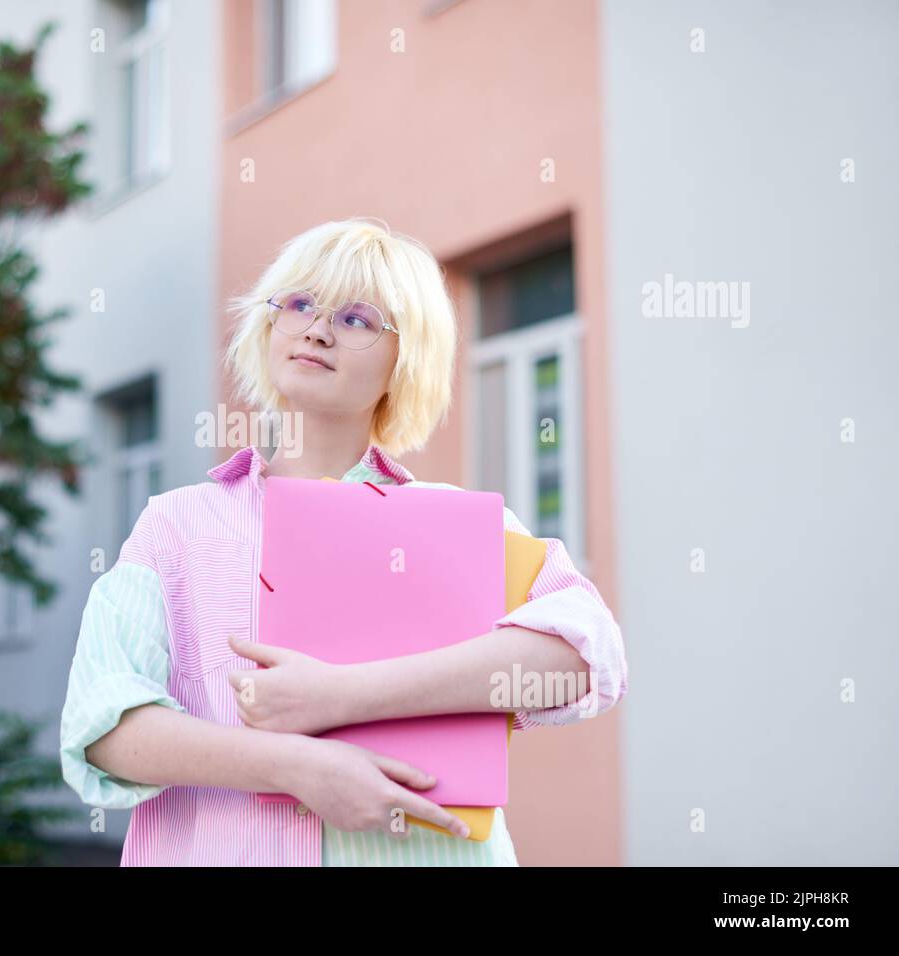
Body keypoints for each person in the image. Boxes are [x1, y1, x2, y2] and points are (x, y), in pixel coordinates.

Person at [60, 217, 628, 865]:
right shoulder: (179, 525)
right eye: (299, 304)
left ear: (403, 360)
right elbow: (105, 724)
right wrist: (296, 765)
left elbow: (588, 656)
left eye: (357, 319)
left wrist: (340, 695)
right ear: (268, 326)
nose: (318, 328)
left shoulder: (460, 526)